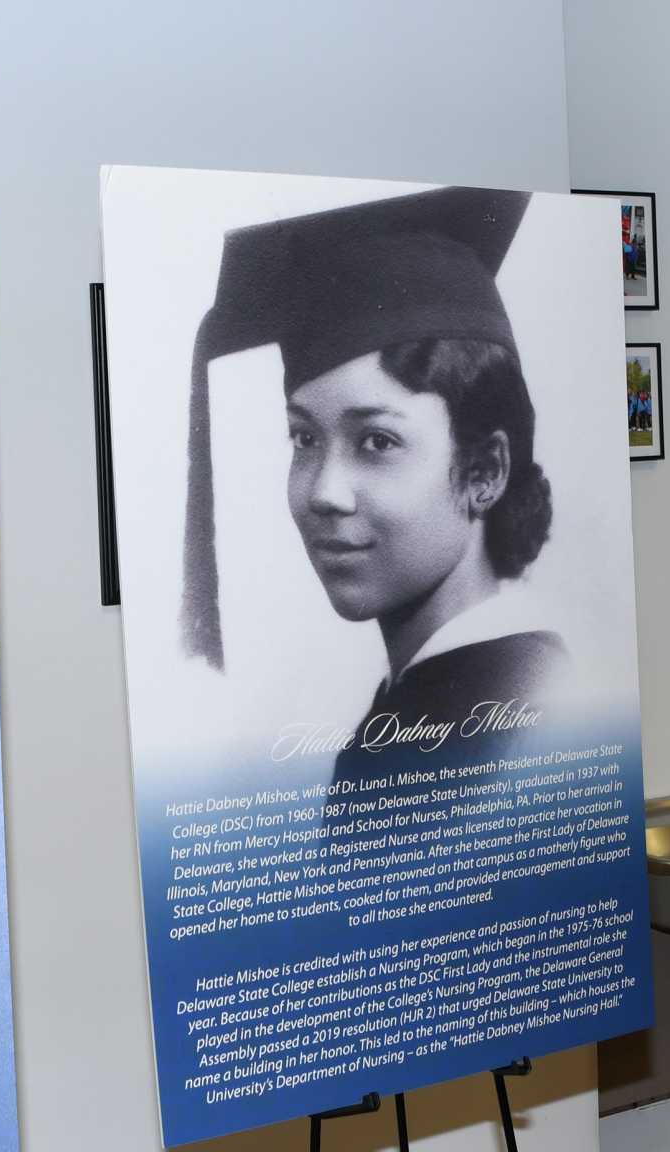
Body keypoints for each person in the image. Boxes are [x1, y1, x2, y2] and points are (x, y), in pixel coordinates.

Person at [178, 186, 567, 786]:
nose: (324, 493)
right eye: (304, 439)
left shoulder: (515, 718)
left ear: (485, 471)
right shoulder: (425, 704)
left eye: (377, 442)